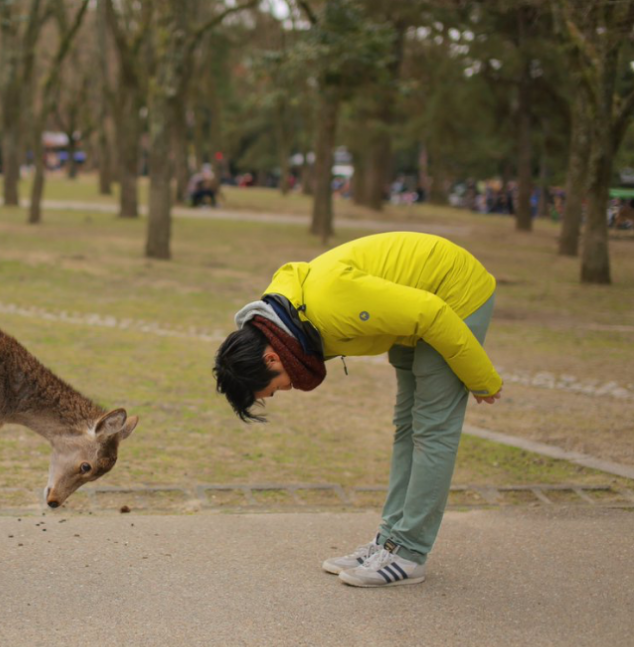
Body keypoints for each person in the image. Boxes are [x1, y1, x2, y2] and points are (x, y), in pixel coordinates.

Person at [213, 231, 502, 588]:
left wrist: (481, 378)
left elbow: (431, 313)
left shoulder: (330, 306)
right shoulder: (286, 323)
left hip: (452, 296)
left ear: (271, 358)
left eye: (273, 389)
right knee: (407, 428)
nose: (283, 391)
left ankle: (409, 554)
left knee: (432, 431)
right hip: (412, 314)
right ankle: (389, 542)